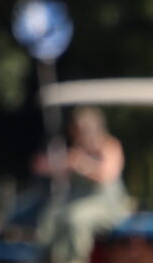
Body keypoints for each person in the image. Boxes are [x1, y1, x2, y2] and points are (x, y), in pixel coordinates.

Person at [37, 107, 128, 263]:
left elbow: (106, 175)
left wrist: (82, 165)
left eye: (83, 129)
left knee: (76, 218)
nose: (79, 133)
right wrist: (55, 165)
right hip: (79, 202)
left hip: (108, 206)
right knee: (52, 216)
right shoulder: (77, 150)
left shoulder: (110, 146)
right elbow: (52, 169)